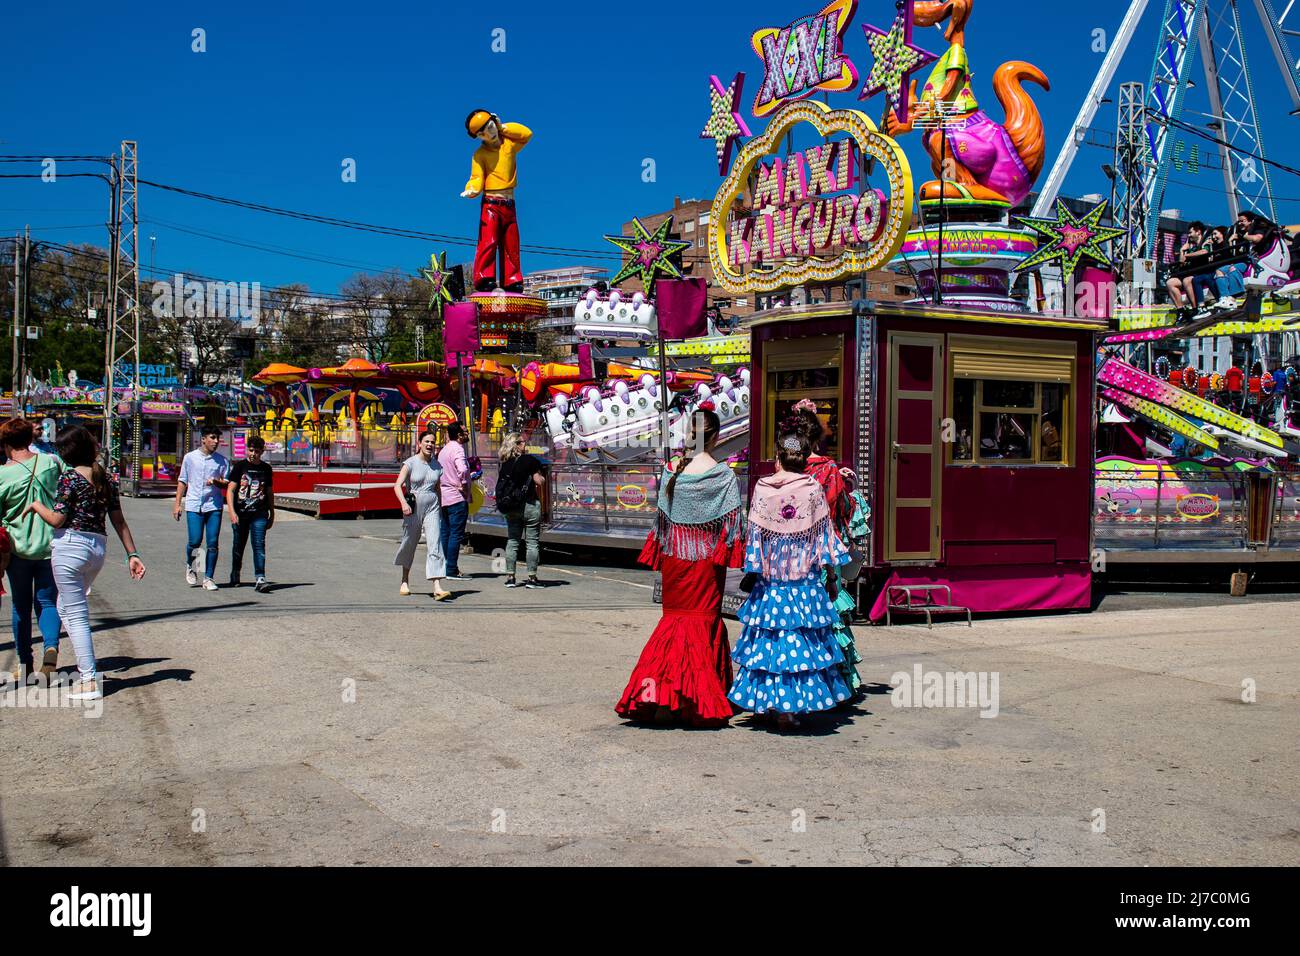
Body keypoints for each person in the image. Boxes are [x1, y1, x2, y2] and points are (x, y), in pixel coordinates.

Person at [616, 406, 744, 726]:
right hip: (704, 560)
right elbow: (733, 527)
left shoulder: (672, 470)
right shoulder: (723, 475)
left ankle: (661, 699)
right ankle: (698, 701)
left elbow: (661, 523)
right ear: (715, 437)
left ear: (690, 433)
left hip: (676, 557)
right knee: (702, 623)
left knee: (673, 623)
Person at [729, 425, 853, 730]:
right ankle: (790, 708)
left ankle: (772, 703)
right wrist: (832, 579)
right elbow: (824, 537)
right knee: (800, 643)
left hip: (772, 583)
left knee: (770, 644)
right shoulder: (812, 489)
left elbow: (755, 537)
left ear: (777, 458)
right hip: (804, 585)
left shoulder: (762, 488)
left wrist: (754, 569)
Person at [23, 426, 146, 701]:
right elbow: (119, 521)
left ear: (66, 453)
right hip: (97, 549)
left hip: (70, 547)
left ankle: (88, 678)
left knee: (75, 615)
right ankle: (86, 670)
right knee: (66, 608)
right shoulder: (106, 478)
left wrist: (35, 506)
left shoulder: (69, 479)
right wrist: (132, 554)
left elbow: (57, 519)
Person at [789, 401, 863, 697]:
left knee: (794, 623)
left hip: (790, 557)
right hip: (823, 556)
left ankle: (796, 682)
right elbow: (843, 513)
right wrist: (853, 489)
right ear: (818, 435)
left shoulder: (784, 469)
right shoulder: (829, 469)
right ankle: (831, 686)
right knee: (827, 622)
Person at [0, 417, 63, 682]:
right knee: (48, 602)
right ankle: (51, 646)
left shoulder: (2, 474)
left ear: (5, 444)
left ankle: (25, 662)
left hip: (17, 548)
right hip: (50, 544)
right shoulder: (51, 463)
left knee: (20, 607)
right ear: (30, 438)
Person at [461, 110, 532, 293]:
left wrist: (502, 127)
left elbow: (526, 134)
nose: (488, 134)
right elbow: (476, 177)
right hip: (491, 203)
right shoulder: (479, 154)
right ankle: (484, 278)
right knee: (489, 241)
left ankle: (512, 280)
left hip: (510, 204)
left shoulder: (508, 145)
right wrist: (473, 189)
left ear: (495, 121)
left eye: (490, 127)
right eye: (481, 133)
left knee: (511, 243)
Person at [394, 430, 449, 600]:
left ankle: (437, 585)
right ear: (419, 443)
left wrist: (441, 508)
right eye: (426, 441)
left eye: (432, 442)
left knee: (435, 543)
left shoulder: (437, 466)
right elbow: (397, 485)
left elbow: (438, 488)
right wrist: (403, 503)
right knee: (409, 542)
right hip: (414, 506)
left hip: (432, 506)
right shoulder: (410, 463)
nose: (430, 444)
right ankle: (404, 580)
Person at [173, 426, 229, 591]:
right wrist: (177, 504)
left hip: (213, 506)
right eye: (212, 437)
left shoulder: (222, 461)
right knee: (195, 541)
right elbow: (182, 481)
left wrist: (217, 482)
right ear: (203, 439)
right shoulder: (190, 458)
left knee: (212, 542)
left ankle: (208, 577)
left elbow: (227, 483)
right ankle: (192, 566)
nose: (216, 441)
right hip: (194, 505)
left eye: (218, 438)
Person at [495, 432, 545, 589]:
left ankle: (510, 577)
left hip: (511, 507)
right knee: (532, 543)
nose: (526, 445)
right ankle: (532, 578)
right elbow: (539, 481)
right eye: (523, 442)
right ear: (516, 444)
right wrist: (542, 477)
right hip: (529, 505)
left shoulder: (504, 463)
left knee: (513, 540)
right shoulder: (529, 460)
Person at [226, 434, 275, 591]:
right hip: (241, 514)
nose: (253, 454)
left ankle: (260, 578)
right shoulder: (240, 466)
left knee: (259, 545)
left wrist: (272, 513)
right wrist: (232, 512)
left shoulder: (266, 469)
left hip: (259, 513)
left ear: (262, 452)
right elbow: (231, 490)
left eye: (257, 451)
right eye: (251, 450)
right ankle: (235, 573)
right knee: (238, 546)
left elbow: (269, 492)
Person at [437, 423, 472, 581]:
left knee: (446, 532)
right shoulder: (458, 449)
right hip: (456, 496)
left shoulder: (444, 450)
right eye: (465, 432)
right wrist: (464, 485)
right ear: (459, 435)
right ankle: (451, 568)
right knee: (456, 535)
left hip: (444, 496)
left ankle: (444, 566)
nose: (467, 434)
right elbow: (463, 469)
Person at [1166, 222, 1213, 313]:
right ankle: (1181, 310)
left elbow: (1204, 252)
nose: (1189, 235)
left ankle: (1196, 308)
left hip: (1201, 272)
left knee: (1187, 280)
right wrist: (1182, 251)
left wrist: (1188, 255)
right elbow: (1182, 262)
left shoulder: (1206, 242)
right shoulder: (1193, 248)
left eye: (1190, 232)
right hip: (1190, 272)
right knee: (1170, 283)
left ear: (1198, 232)